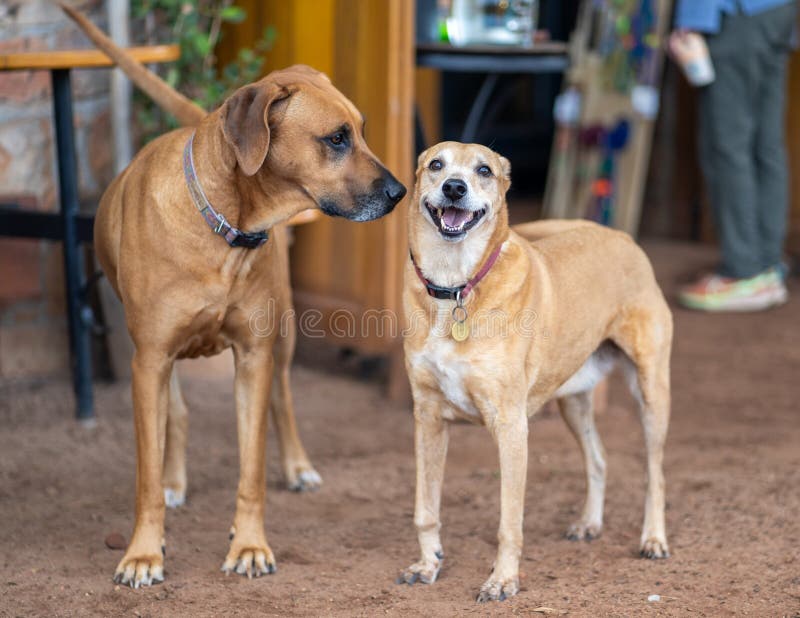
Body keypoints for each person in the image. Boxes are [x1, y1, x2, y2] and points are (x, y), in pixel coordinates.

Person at [670, 0, 797, 312]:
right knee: (765, 145)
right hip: (776, 11)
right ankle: (766, 265)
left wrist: (692, 18)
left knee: (726, 146)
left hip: (735, 13)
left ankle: (744, 272)